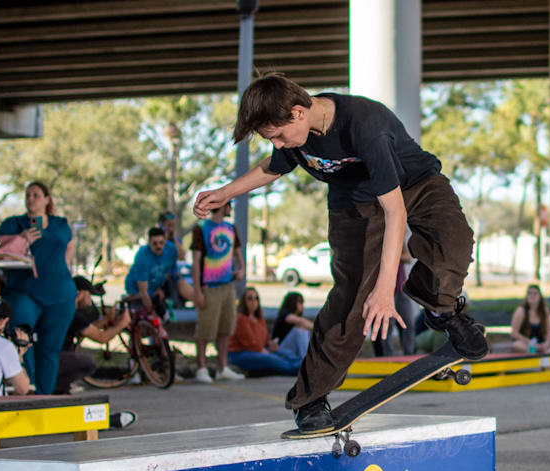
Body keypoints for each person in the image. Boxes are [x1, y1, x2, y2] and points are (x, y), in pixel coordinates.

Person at [193, 72, 487, 434]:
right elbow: (272, 168)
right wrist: (226, 192)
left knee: (453, 242)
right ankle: (309, 398)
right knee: (351, 301)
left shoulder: (364, 125)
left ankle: (439, 307)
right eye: (273, 139)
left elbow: (395, 212)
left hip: (415, 184)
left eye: (279, 136)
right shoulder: (293, 135)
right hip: (353, 204)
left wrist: (385, 291)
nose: (281, 145)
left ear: (298, 112)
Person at [0, 181, 76, 396]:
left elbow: (69, 245)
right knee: (22, 340)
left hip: (59, 293)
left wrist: (64, 268)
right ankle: (27, 392)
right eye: (28, 195)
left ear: (47, 199)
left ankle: (44, 399)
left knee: (50, 349)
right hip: (24, 290)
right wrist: (21, 239)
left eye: (36, 195)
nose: (31, 199)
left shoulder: (60, 223)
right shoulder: (15, 223)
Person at [189, 202, 245, 383]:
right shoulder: (202, 229)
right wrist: (197, 290)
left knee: (226, 327)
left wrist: (242, 268)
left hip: (228, 286)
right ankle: (202, 367)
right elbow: (196, 262)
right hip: (209, 287)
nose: (230, 209)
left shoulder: (230, 228)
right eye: (229, 205)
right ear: (222, 206)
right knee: (206, 328)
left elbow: (237, 252)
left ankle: (222, 367)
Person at [55, 276, 132, 394]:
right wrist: (123, 324)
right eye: (89, 295)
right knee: (88, 363)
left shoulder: (63, 309)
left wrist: (106, 320)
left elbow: (86, 329)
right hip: (57, 359)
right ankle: (60, 386)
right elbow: (102, 338)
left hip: (51, 357)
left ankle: (62, 385)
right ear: (80, 294)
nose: (90, 301)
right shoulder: (73, 314)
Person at [227, 286, 302, 376]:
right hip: (241, 353)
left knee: (286, 353)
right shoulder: (241, 318)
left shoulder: (259, 318)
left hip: (260, 349)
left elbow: (266, 337)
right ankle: (298, 371)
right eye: (250, 298)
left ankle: (306, 365)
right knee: (274, 359)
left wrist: (270, 343)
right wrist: (262, 350)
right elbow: (249, 342)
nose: (253, 301)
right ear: (244, 301)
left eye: (256, 298)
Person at [125, 226, 197, 316]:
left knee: (180, 282)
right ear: (149, 243)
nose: (159, 246)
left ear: (165, 241)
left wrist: (174, 238)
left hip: (157, 285)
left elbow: (182, 256)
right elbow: (143, 290)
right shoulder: (142, 256)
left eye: (161, 243)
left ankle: (201, 305)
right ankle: (129, 299)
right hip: (138, 289)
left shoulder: (171, 248)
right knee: (148, 312)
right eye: (155, 243)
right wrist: (151, 311)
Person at [509, 285, 550, 358]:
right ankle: (544, 356)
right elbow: (514, 333)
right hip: (527, 344)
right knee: (516, 345)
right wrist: (532, 344)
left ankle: (544, 355)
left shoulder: (545, 310)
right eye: (530, 293)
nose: (532, 296)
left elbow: (549, 332)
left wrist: (546, 343)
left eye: (535, 293)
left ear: (540, 296)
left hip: (542, 344)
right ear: (526, 296)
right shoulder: (521, 311)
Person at [271, 290, 313, 364]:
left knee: (304, 329)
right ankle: (307, 361)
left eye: (302, 302)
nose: (302, 305)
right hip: (279, 348)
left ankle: (308, 359)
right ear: (292, 302)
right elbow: (300, 321)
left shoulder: (296, 317)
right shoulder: (284, 313)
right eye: (299, 302)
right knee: (300, 329)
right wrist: (317, 328)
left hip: (290, 349)